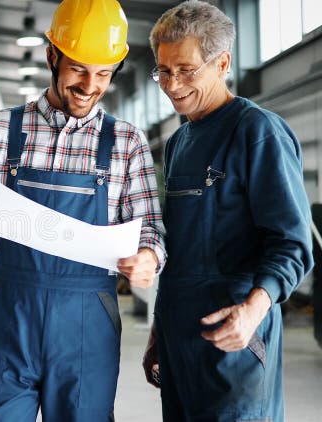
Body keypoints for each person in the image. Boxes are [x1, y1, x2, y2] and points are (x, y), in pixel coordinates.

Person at [0, 0, 166, 420]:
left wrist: (150, 258)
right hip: (8, 317)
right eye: (78, 69)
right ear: (52, 56)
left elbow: (150, 230)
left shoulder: (127, 142)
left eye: (102, 74)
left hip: (86, 324)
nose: (89, 85)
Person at [142, 2, 313, 420]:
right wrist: (158, 330)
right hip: (179, 337)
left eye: (185, 70)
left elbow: (293, 243)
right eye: (163, 70)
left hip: (235, 337)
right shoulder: (179, 142)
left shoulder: (257, 131)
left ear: (223, 63)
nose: (172, 83)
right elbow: (178, 250)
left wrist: (254, 308)